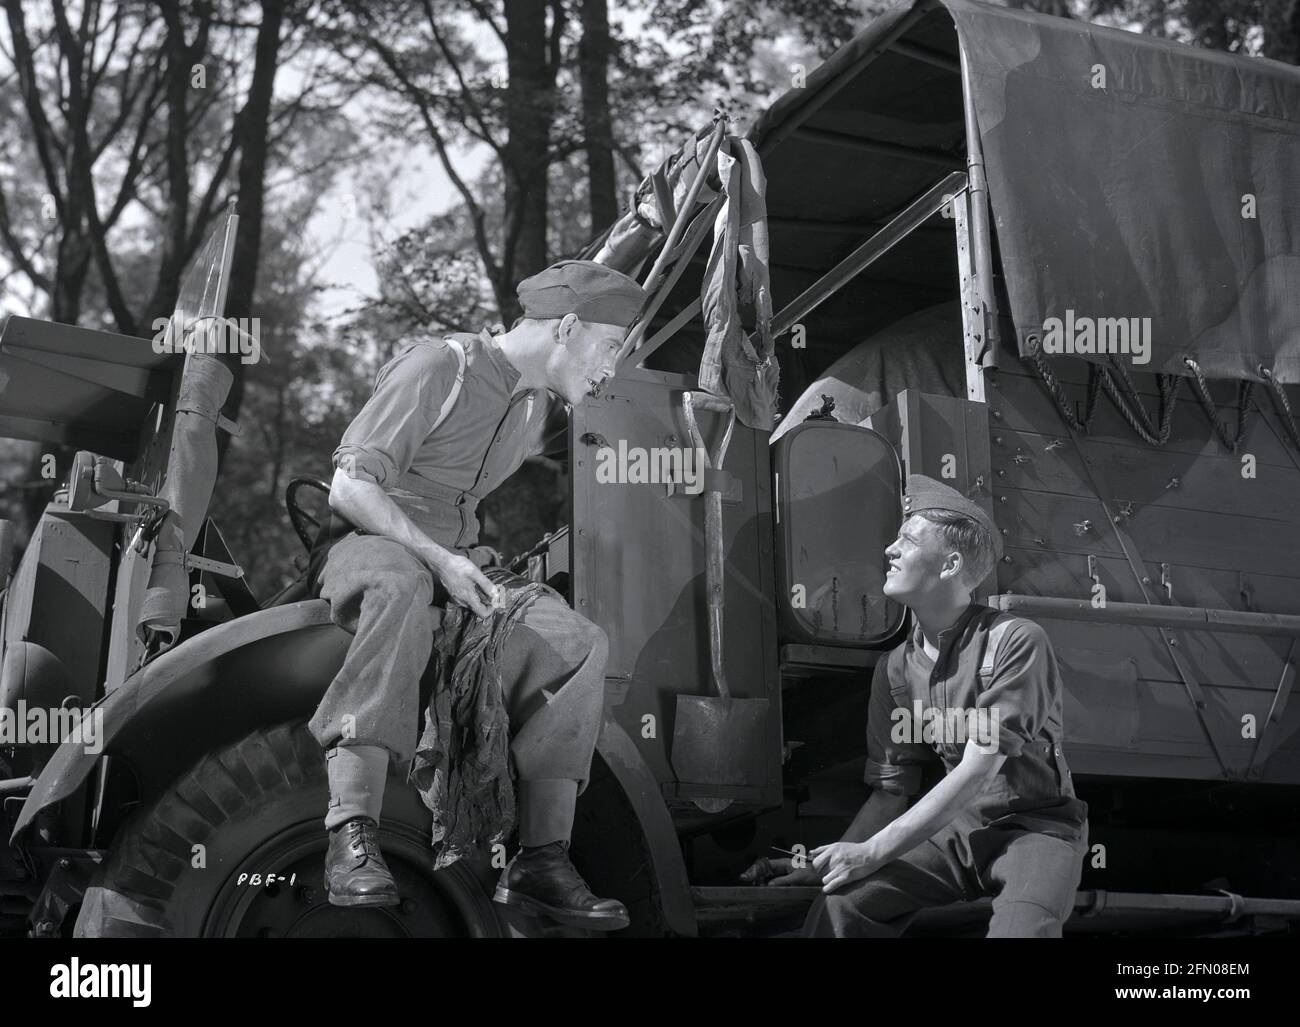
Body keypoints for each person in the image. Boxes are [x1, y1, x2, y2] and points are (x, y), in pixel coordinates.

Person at [310, 259, 645, 931]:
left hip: (455, 558)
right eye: (610, 347)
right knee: (403, 585)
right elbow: (349, 487)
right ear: (570, 328)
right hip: (372, 544)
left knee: (578, 643)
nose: (611, 368)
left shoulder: (533, 405)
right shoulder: (442, 365)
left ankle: (541, 862)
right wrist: (437, 559)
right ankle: (351, 833)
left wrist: (459, 564)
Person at [747, 474, 1089, 937]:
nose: (889, 550)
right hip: (957, 833)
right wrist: (830, 863)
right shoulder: (895, 670)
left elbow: (977, 771)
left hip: (1035, 828)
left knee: (1023, 930)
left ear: (949, 565)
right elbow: (891, 791)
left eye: (906, 540)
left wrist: (872, 853)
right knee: (841, 909)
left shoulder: (1015, 642)